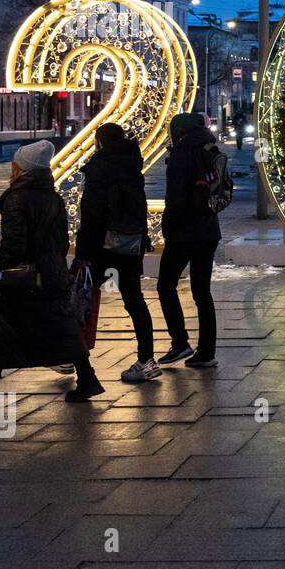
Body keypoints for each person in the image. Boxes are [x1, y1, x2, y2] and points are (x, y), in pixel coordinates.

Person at [0, 140, 105, 402]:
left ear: (22, 169)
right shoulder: (53, 196)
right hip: (52, 272)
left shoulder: (17, 198)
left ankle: (87, 378)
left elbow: (14, 245)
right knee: (57, 326)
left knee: (9, 323)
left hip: (26, 276)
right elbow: (62, 240)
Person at [73, 123, 157, 382]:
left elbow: (92, 214)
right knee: (135, 301)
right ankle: (147, 360)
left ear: (99, 142)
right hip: (130, 244)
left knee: (80, 300)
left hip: (101, 248)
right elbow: (138, 206)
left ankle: (71, 358)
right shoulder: (132, 165)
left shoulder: (100, 167)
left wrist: (82, 252)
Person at [157, 113, 221, 369]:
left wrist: (168, 229)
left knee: (165, 286)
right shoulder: (209, 148)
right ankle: (207, 352)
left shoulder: (182, 155)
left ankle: (180, 341)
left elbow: (176, 200)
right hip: (209, 230)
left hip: (184, 232)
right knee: (202, 292)